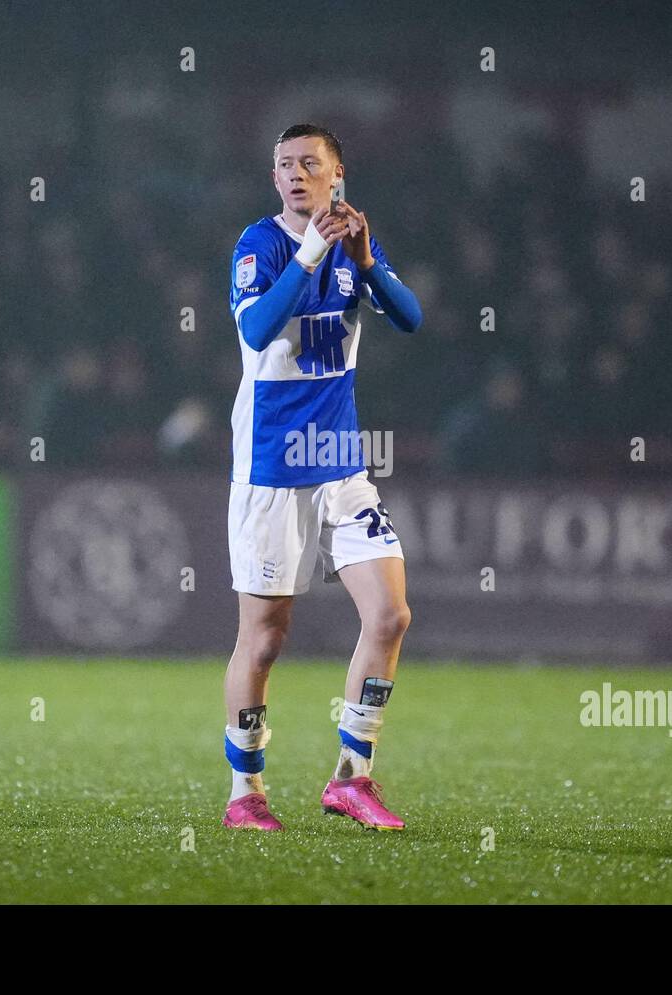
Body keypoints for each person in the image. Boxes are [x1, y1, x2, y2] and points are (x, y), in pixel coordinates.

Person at [222, 124, 423, 831]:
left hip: (340, 465)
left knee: (391, 613)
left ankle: (352, 774)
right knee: (266, 638)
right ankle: (245, 791)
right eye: (283, 165)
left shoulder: (353, 245)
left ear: (338, 175)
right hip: (273, 467)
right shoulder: (259, 244)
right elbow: (259, 329)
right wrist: (312, 251)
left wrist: (368, 263)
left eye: (310, 163)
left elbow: (411, 317)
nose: (295, 174)